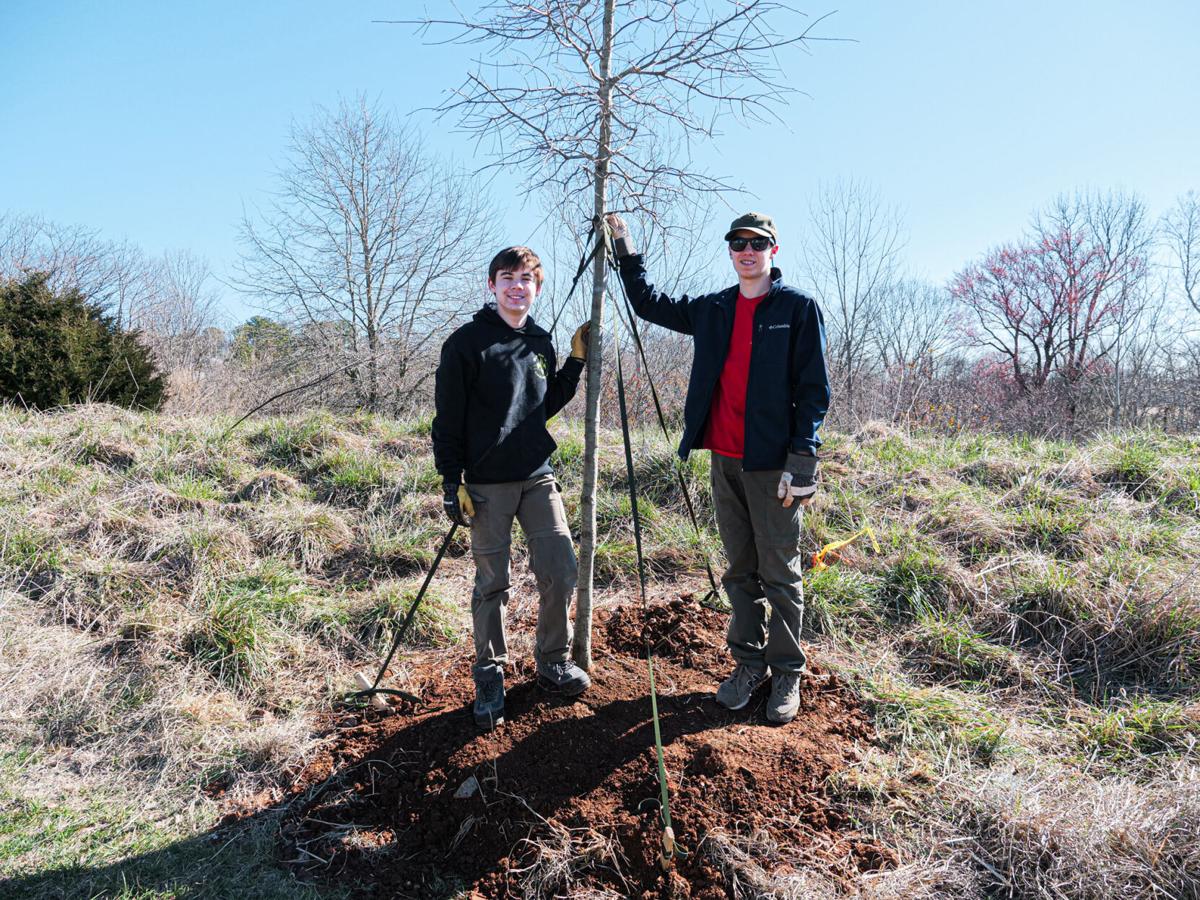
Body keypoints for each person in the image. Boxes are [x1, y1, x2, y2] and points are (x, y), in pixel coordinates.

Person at [607, 211, 829, 725]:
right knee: (739, 573)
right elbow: (647, 303)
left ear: (774, 251)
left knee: (781, 574)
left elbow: (814, 389)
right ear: (730, 252)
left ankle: (787, 673)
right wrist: (625, 247)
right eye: (738, 243)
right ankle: (748, 666)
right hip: (724, 461)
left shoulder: (796, 308)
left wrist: (803, 458)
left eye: (757, 244)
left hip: (775, 467)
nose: (747, 251)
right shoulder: (715, 308)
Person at [432, 246, 592, 730]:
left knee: (561, 570)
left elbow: (543, 406)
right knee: (492, 585)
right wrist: (450, 480)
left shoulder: (539, 341)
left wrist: (575, 362)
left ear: (537, 288)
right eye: (508, 278)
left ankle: (552, 661)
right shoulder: (466, 344)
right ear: (492, 285)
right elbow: (448, 418)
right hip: (485, 484)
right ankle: (489, 675)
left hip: (537, 476)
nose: (517, 286)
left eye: (526, 279)